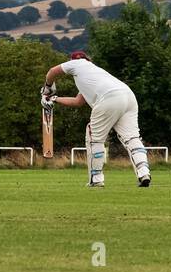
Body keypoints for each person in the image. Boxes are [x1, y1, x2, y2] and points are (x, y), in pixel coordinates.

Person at [42, 52, 151, 188]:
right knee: (132, 138)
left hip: (109, 98)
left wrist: (47, 88)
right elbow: (78, 101)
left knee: (94, 137)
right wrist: (54, 99)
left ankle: (96, 179)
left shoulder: (78, 63)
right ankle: (144, 173)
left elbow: (52, 71)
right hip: (128, 96)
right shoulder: (93, 74)